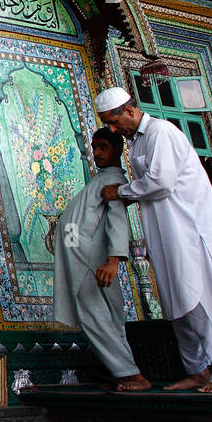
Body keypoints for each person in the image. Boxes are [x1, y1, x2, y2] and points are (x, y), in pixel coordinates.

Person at [97, 86, 212, 392]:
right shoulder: (139, 143)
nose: (114, 130)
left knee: (210, 305)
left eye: (114, 123)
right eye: (108, 125)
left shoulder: (160, 133)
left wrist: (121, 192)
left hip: (192, 233)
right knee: (179, 303)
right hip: (167, 235)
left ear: (129, 110)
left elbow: (162, 182)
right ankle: (198, 371)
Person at [53, 128, 149, 391]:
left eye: (103, 147)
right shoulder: (101, 180)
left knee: (95, 317)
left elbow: (117, 222)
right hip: (86, 261)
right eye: (94, 148)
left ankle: (132, 374)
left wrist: (113, 261)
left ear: (118, 150)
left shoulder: (113, 183)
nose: (96, 153)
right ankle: (124, 371)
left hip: (90, 264)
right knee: (110, 317)